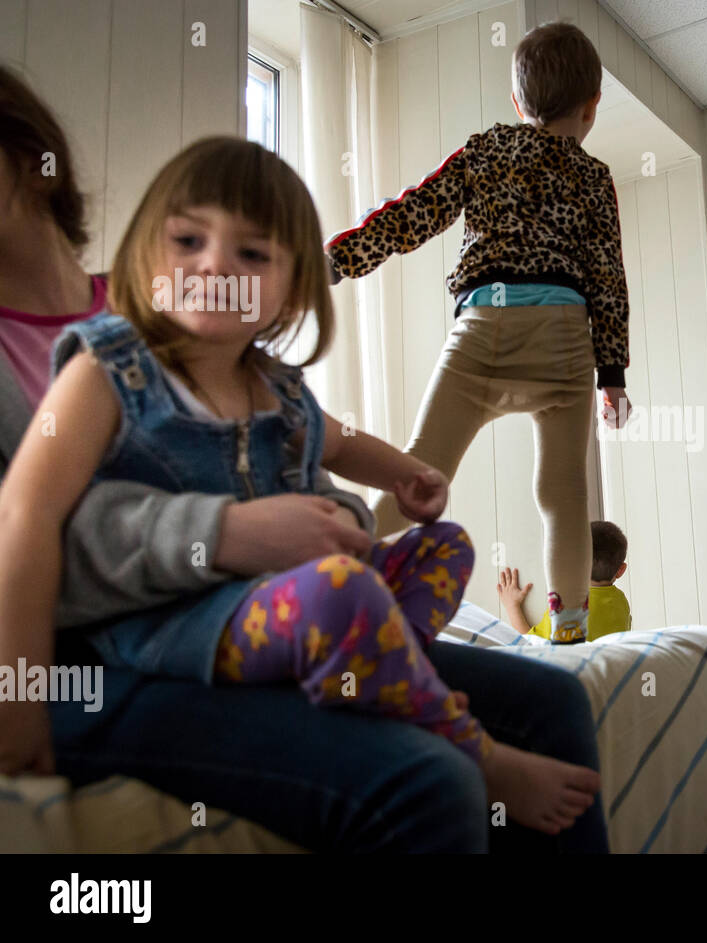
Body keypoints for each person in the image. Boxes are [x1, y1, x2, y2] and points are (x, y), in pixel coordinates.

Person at [0, 98, 604, 849]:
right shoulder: (109, 366)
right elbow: (25, 513)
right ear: (151, 253)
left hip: (273, 612)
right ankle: (469, 747)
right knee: (429, 768)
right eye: (189, 239)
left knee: (466, 574)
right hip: (167, 630)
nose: (215, 264)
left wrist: (387, 489)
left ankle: (385, 649)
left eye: (252, 255)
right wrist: (20, 685)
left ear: (288, 290)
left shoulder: (270, 381)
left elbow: (335, 445)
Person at [326, 22, 632, 645]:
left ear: (518, 104)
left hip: (482, 329)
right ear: (592, 105)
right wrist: (613, 373)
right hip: (563, 339)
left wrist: (336, 258)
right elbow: (608, 279)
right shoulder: (594, 176)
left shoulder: (485, 149)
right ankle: (569, 629)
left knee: (419, 470)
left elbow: (412, 213)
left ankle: (340, 546)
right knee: (564, 491)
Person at [497, 521, 631, 642]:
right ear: (621, 570)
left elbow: (530, 643)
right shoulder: (621, 602)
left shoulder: (566, 606)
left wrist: (512, 605)